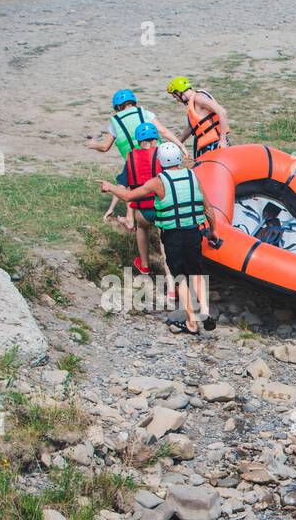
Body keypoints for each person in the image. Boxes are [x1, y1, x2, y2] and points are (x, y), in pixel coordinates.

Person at [101, 142, 219, 335]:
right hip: (193, 232)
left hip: (173, 235)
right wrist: (213, 230)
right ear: (179, 160)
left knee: (180, 277)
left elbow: (129, 196)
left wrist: (110, 187)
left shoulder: (157, 182)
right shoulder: (192, 176)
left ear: (160, 162)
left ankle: (191, 322)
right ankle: (204, 310)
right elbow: (208, 209)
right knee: (196, 273)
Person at [86, 89, 181, 228]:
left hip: (135, 160)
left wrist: (93, 145)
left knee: (128, 182)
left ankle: (129, 218)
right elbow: (164, 131)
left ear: (118, 106)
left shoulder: (115, 122)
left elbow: (105, 147)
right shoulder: (146, 113)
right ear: (133, 102)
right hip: (157, 157)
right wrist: (180, 146)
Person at [122, 122, 168, 276]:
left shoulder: (130, 157)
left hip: (142, 210)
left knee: (142, 228)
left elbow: (126, 183)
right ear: (155, 139)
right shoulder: (161, 155)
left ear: (139, 141)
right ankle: (170, 274)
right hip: (161, 208)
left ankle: (144, 265)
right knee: (165, 239)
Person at [166, 76, 230, 158]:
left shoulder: (198, 98)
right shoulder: (193, 102)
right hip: (208, 146)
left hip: (215, 145)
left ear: (179, 92)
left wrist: (223, 140)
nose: (177, 100)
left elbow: (222, 112)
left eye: (175, 97)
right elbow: (192, 127)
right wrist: (177, 143)